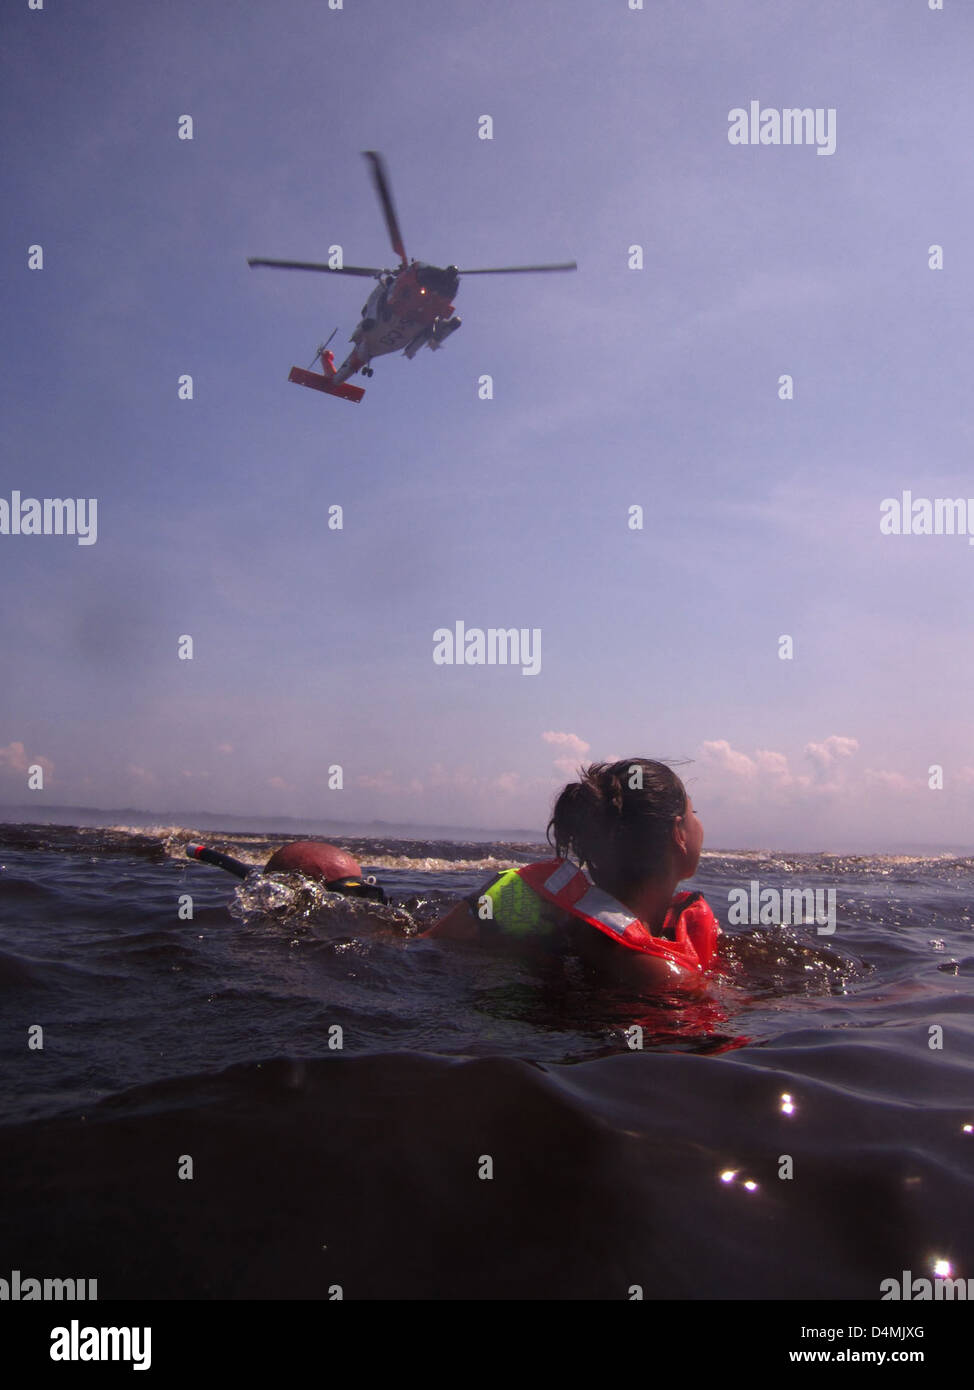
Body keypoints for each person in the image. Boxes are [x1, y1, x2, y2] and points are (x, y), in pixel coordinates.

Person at [422, 759, 719, 987]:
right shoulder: (664, 976)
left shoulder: (558, 923)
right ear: (678, 834)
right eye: (695, 814)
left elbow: (427, 943)